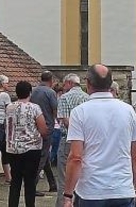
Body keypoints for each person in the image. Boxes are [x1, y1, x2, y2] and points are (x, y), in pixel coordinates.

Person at [62, 65, 136, 207]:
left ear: (88, 83)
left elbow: (76, 157)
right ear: (110, 83)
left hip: (91, 190)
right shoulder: (128, 111)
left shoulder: (79, 112)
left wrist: (68, 195)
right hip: (122, 189)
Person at [7, 80, 49, 207]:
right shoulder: (34, 108)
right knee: (30, 182)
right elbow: (43, 128)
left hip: (13, 148)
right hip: (32, 148)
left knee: (15, 181)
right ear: (30, 93)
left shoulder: (9, 107)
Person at [54, 73, 88, 207]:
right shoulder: (88, 98)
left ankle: (64, 203)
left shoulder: (64, 98)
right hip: (85, 142)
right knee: (82, 175)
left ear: (69, 83)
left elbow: (64, 119)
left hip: (68, 140)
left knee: (64, 177)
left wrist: (75, 132)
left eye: (64, 84)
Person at [30, 71, 59, 195]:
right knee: (42, 156)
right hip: (47, 126)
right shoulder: (50, 92)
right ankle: (32, 186)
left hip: (35, 126)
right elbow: (55, 109)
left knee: (45, 157)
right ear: (51, 80)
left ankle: (52, 184)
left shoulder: (34, 91)